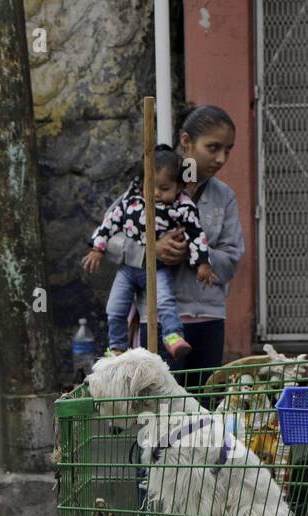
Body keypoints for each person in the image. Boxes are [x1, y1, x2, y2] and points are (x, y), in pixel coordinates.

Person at [108, 105, 243, 389]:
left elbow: (231, 260)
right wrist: (150, 251)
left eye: (228, 150)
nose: (221, 158)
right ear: (186, 141)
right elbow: (108, 239)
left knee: (202, 406)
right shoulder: (147, 183)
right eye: (213, 147)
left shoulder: (225, 196)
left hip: (209, 317)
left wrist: (193, 253)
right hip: (157, 318)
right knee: (158, 407)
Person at [83, 144, 213, 359]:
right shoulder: (131, 202)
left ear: (179, 187)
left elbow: (196, 235)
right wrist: (97, 248)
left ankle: (173, 337)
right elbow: (110, 222)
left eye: (164, 188)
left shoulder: (183, 208)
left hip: (157, 269)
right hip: (128, 269)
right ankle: (117, 347)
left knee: (164, 302)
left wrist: (202, 264)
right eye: (150, 186)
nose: (155, 194)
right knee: (114, 308)